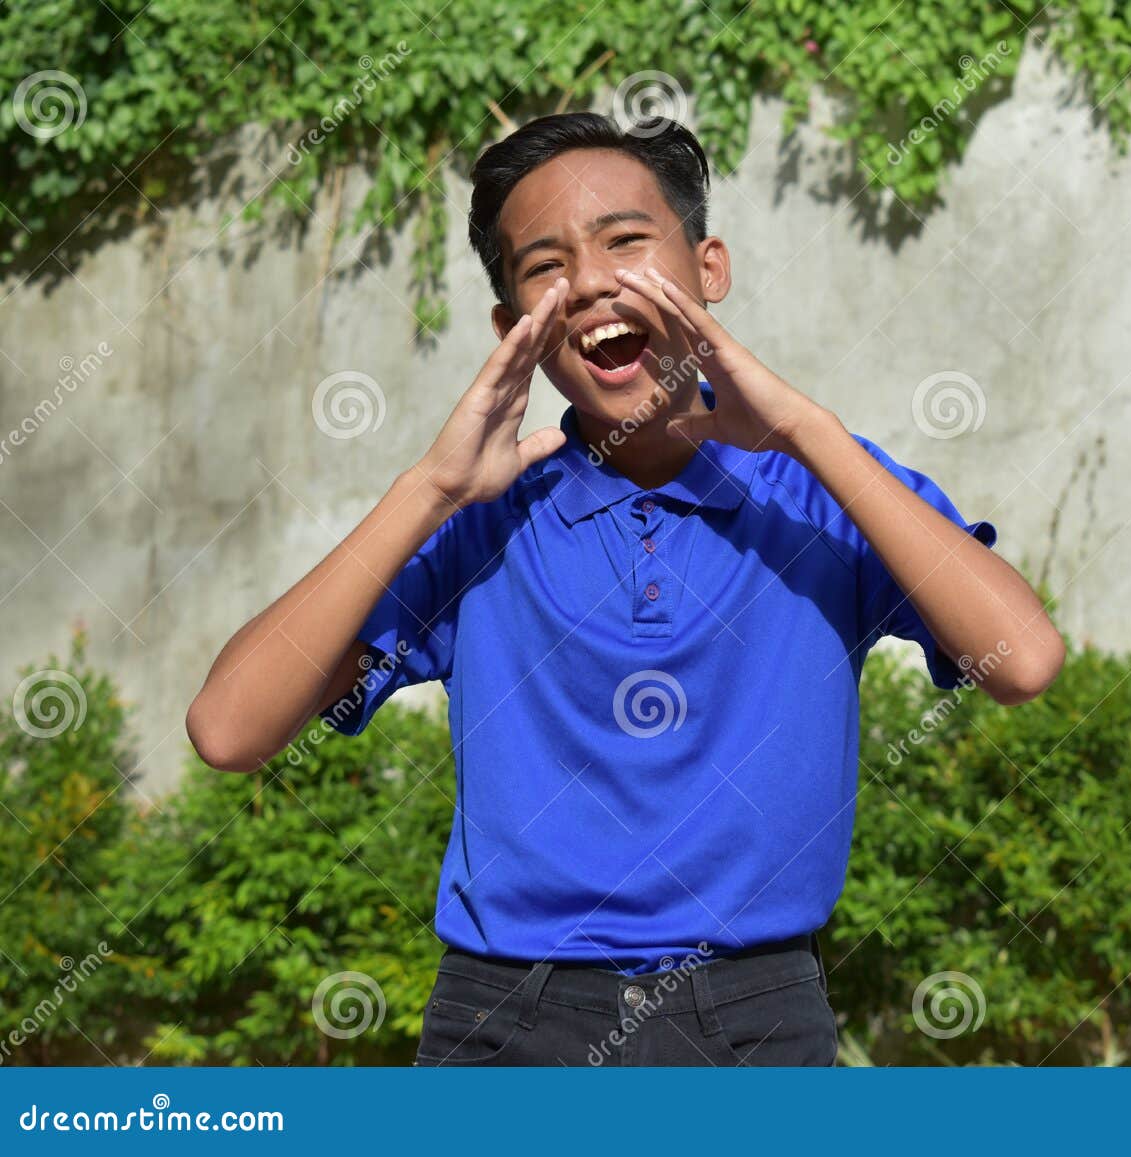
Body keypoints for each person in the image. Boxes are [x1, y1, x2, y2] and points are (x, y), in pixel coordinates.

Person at [186, 112, 1065, 1065]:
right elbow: (230, 730)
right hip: (505, 1021)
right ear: (511, 325)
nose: (593, 281)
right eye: (545, 263)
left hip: (758, 1018)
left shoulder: (822, 487)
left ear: (709, 268)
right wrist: (428, 489)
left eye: (626, 240)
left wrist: (809, 431)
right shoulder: (480, 513)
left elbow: (1022, 659)